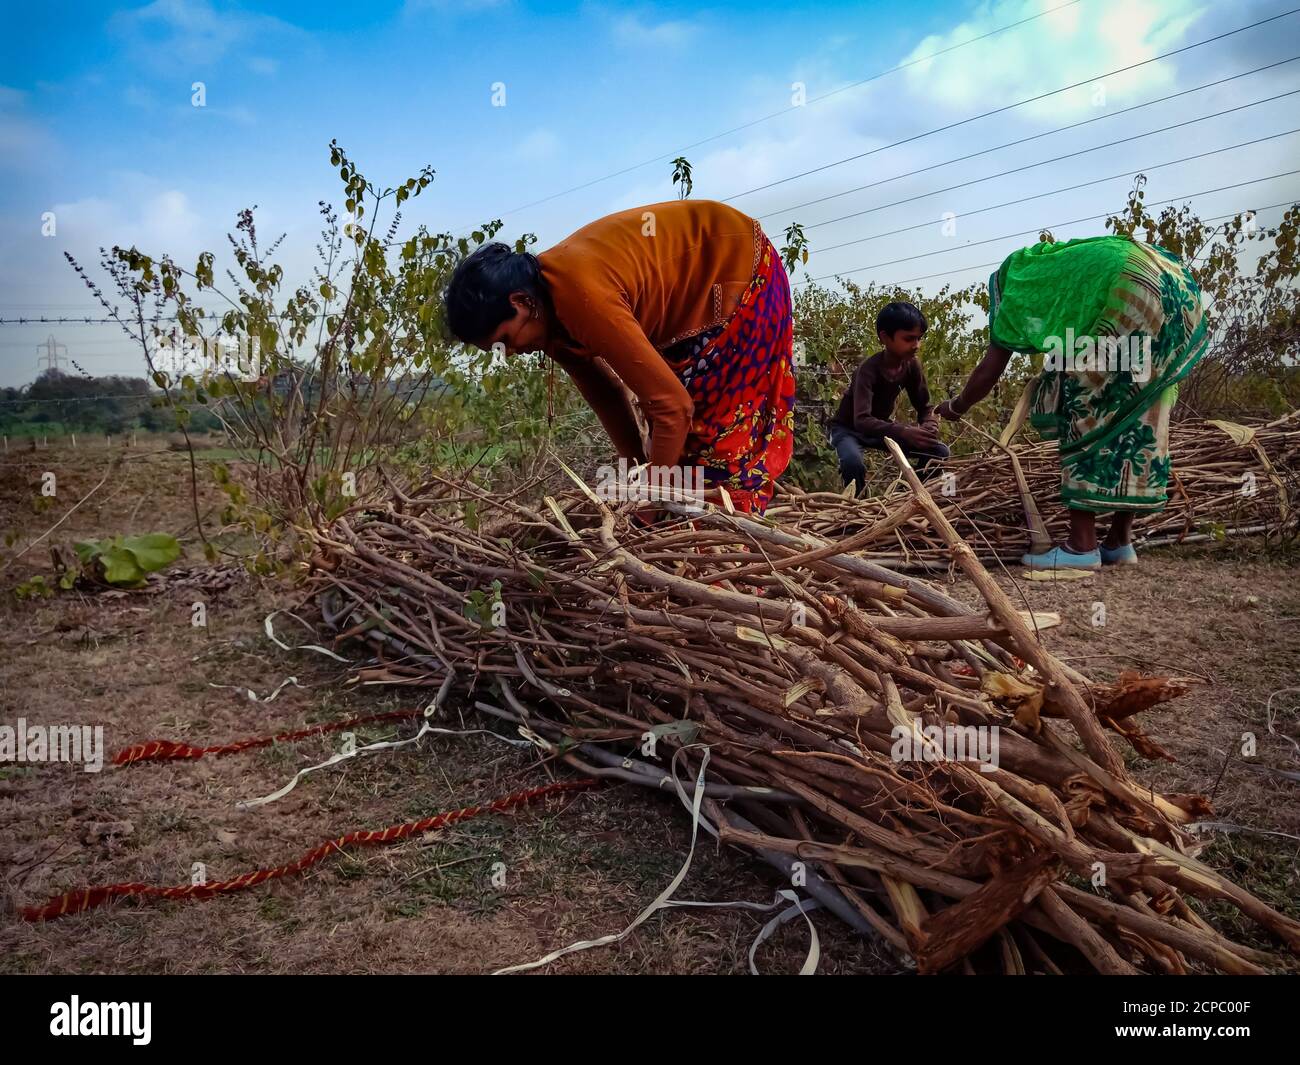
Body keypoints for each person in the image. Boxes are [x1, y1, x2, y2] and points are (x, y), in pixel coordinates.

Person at [442, 199, 795, 514]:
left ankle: (733, 554)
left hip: (743, 272)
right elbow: (607, 395)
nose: (512, 351)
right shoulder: (550, 321)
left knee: (715, 454)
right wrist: (635, 477)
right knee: (677, 457)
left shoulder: (580, 295)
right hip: (700, 308)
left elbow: (673, 406)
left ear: (521, 302)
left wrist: (648, 502)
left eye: (506, 339)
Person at [934, 235, 1208, 569]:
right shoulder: (1058, 264)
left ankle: (1082, 546)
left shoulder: (1017, 287)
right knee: (1139, 409)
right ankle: (1119, 542)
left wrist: (955, 406)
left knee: (1084, 404)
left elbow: (990, 368)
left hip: (1130, 287)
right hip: (1174, 288)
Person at [829, 301, 949, 495]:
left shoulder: (911, 366)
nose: (916, 345)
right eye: (909, 339)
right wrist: (903, 431)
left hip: (878, 427)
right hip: (848, 429)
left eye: (919, 338)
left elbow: (925, 407)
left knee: (939, 452)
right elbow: (861, 421)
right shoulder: (868, 370)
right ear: (885, 337)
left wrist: (929, 425)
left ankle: (910, 498)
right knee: (852, 463)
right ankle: (857, 509)